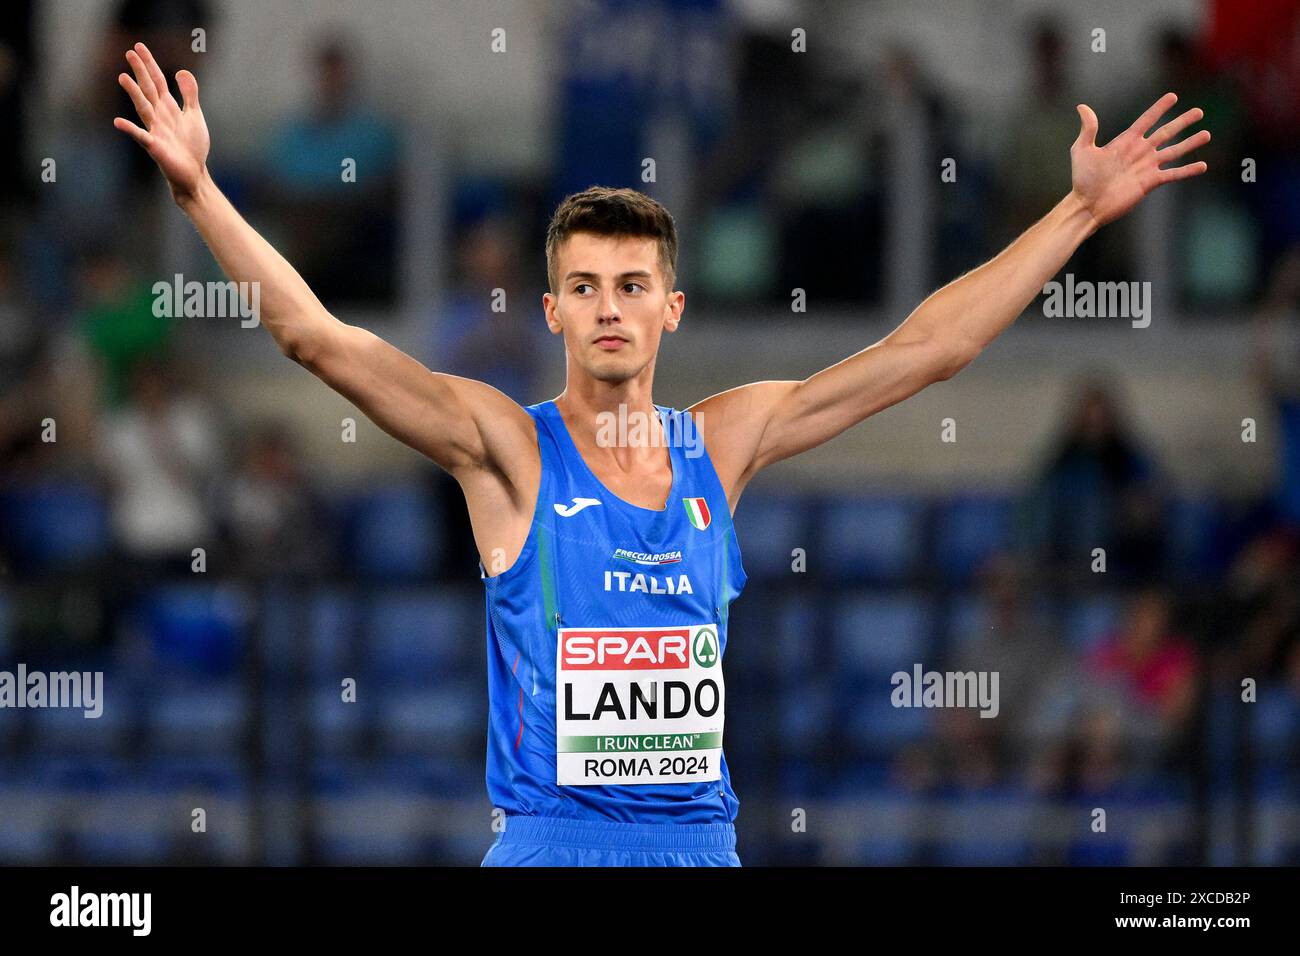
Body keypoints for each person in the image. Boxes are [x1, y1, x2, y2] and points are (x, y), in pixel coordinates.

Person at [111, 41, 1211, 866]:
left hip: (697, 845)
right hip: (551, 843)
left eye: (631, 286)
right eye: (583, 287)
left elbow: (928, 349)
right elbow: (318, 337)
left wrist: (1074, 212)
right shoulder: (505, 449)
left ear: (671, 307)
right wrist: (202, 192)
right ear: (550, 309)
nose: (607, 309)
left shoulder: (722, 443)